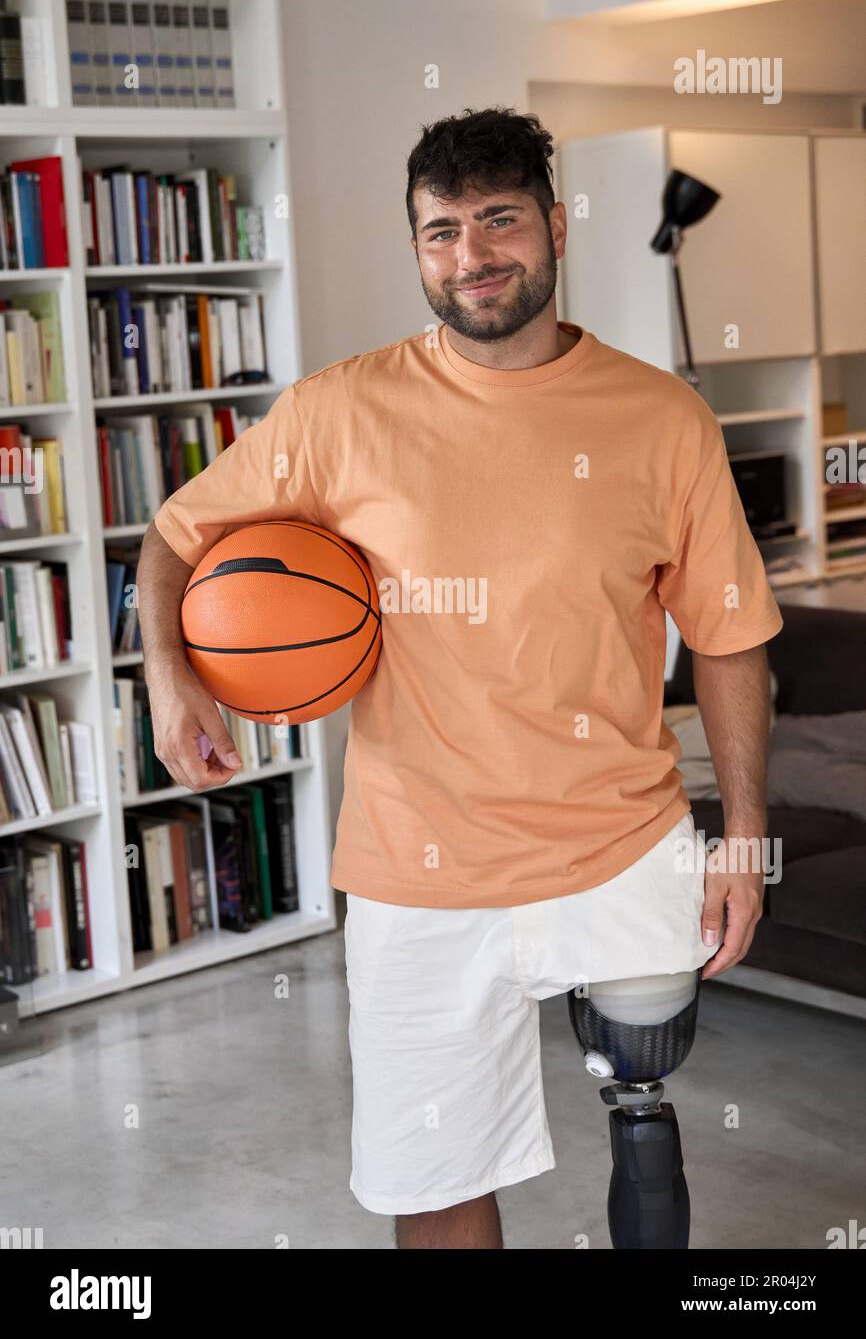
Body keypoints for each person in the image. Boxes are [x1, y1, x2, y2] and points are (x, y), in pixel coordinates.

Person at [138, 106, 783, 1250]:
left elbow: (729, 633)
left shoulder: (661, 417)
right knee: (432, 1175)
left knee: (643, 1104)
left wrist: (738, 832)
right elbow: (176, 536)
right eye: (440, 231)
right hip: (415, 865)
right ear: (416, 248)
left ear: (553, 228)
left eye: (497, 221)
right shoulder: (339, 412)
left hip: (617, 837)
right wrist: (170, 673)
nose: (470, 256)